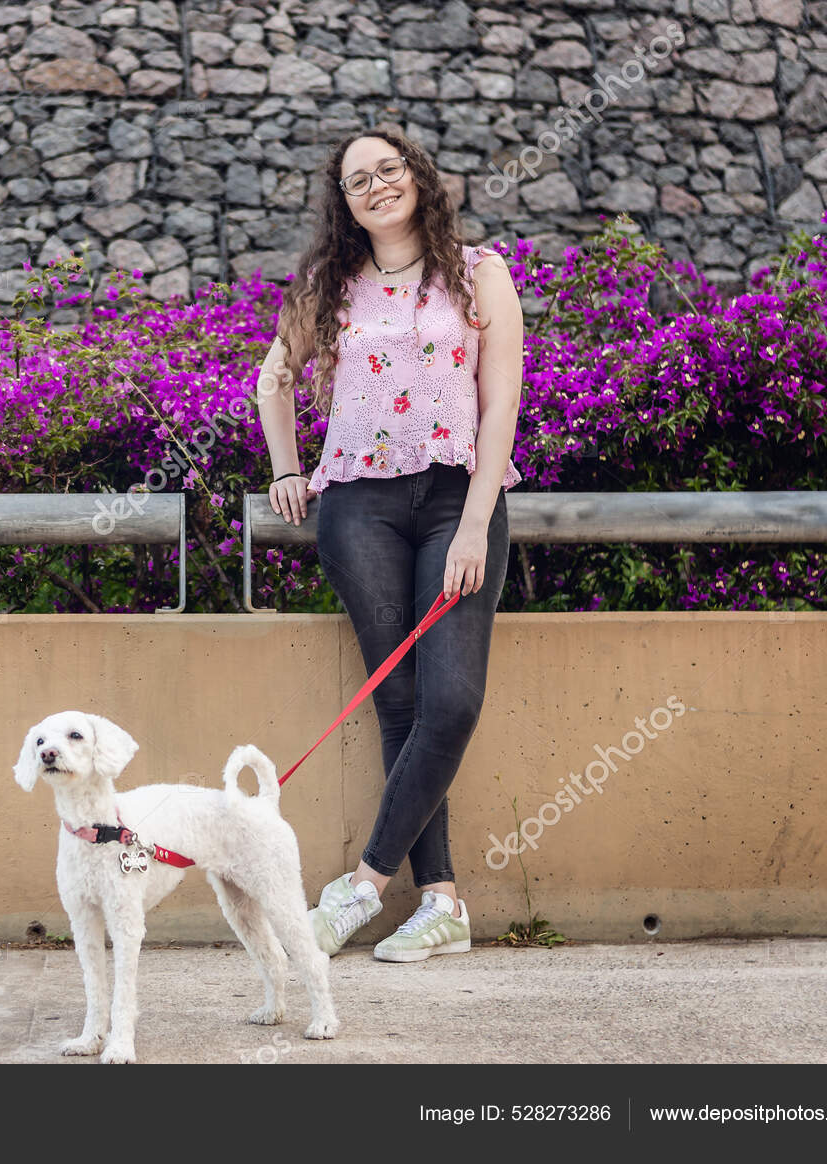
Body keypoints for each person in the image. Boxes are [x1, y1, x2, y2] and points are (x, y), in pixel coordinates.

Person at [254, 127, 525, 962]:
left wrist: (475, 521)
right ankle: (441, 903)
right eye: (357, 180)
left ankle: (362, 885)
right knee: (400, 703)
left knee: (452, 701)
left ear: (417, 177)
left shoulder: (479, 274)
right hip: (358, 506)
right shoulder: (328, 287)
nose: (377, 186)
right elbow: (272, 379)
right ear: (344, 203)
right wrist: (286, 468)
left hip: (456, 502)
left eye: (388, 169)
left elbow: (500, 408)